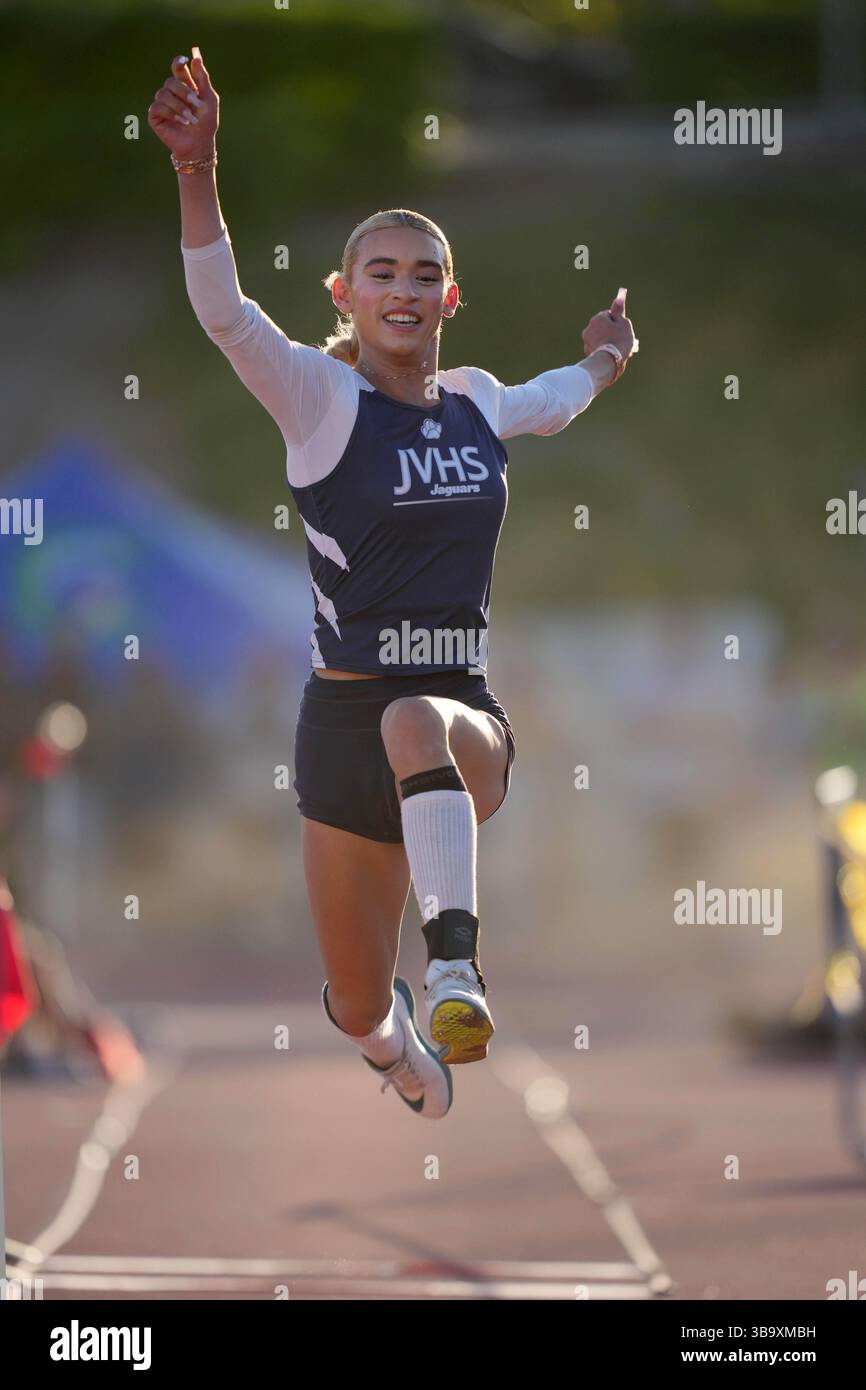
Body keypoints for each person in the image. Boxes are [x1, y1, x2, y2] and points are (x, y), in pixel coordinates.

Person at [148, 47, 637, 1120]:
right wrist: (197, 167)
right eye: (382, 272)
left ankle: (457, 970)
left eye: (424, 274)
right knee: (354, 997)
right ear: (345, 294)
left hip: (457, 713)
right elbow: (226, 312)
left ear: (450, 297)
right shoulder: (317, 399)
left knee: (418, 715)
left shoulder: (474, 400)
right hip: (338, 722)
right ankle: (393, 1045)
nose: (404, 289)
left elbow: (550, 398)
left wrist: (603, 358)